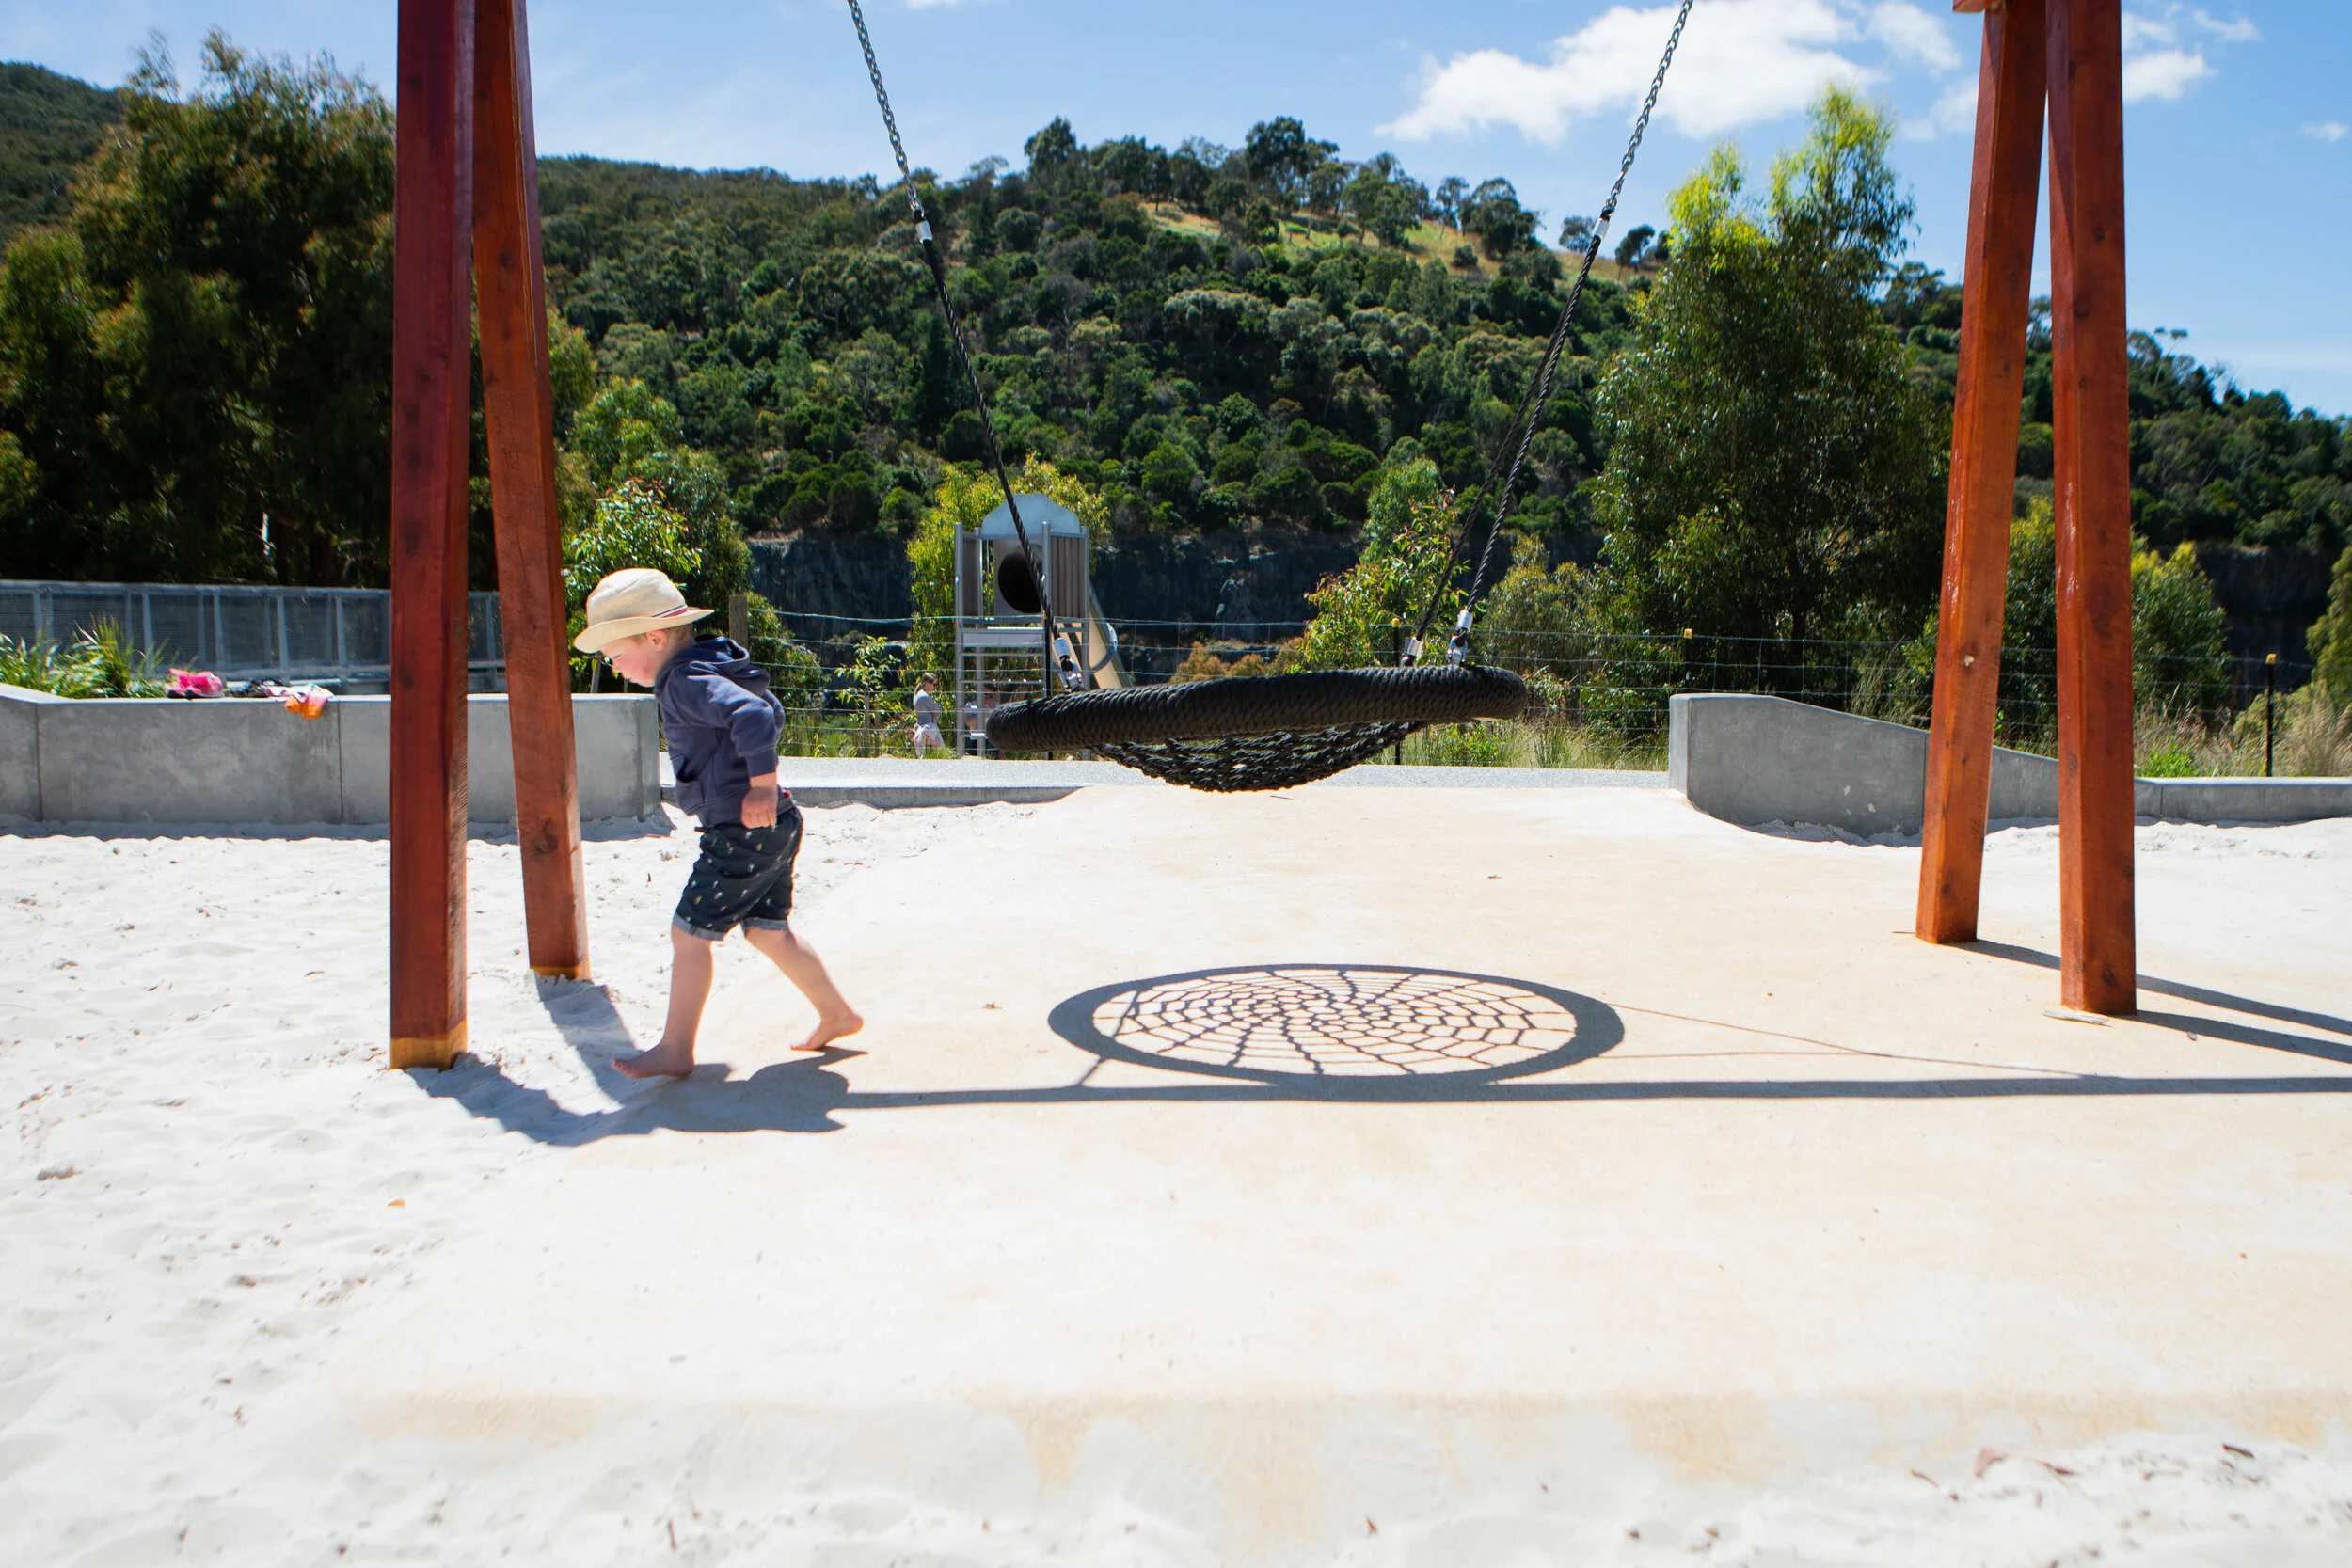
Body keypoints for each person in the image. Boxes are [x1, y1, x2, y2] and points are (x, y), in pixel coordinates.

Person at [571, 568, 862, 1078]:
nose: (616, 668)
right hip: (775, 825)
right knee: (770, 933)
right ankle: (837, 1014)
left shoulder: (681, 680)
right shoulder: (713, 666)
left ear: (654, 637)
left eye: (616, 654)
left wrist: (759, 785)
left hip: (743, 830)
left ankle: (676, 1048)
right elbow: (768, 708)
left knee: (689, 936)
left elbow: (752, 717)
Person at [910, 674, 945, 757]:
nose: (935, 687)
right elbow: (939, 711)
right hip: (929, 728)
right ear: (927, 683)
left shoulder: (917, 694)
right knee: (942, 753)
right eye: (934, 684)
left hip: (921, 726)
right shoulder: (924, 697)